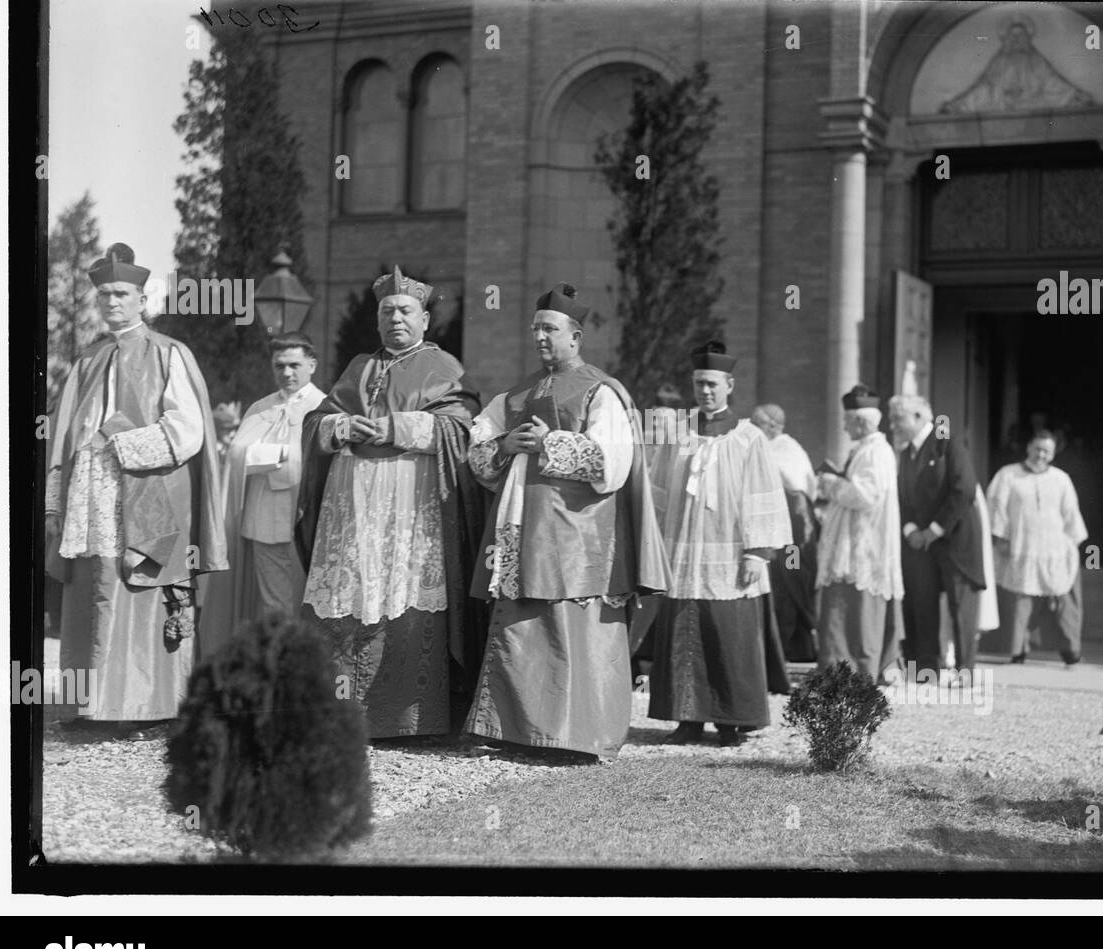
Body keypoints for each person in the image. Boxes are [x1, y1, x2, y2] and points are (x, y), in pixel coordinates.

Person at [462, 283, 670, 762]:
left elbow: (613, 462)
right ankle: (515, 729)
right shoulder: (515, 394)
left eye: (549, 329)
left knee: (569, 625)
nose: (539, 336)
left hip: (578, 531)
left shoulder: (600, 390)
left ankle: (575, 735)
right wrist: (505, 446)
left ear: (575, 336)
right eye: (535, 328)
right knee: (520, 622)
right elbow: (479, 449)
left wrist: (550, 444)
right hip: (520, 524)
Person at [294, 267, 489, 738]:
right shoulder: (358, 366)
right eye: (386, 311)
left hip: (410, 509)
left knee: (402, 592)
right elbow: (315, 422)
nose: (395, 319)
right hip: (352, 505)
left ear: (425, 318)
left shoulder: (444, 368)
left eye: (405, 311)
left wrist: (396, 428)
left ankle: (407, 721)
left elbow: (462, 428)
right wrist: (339, 428)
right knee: (348, 594)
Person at [44, 243, 227, 734]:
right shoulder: (86, 359)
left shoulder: (169, 352)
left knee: (135, 589)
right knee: (90, 588)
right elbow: (63, 434)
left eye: (121, 293)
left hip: (143, 492)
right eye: (103, 294)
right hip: (89, 493)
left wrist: (121, 443)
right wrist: (54, 502)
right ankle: (91, 704)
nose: (111, 302)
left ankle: (145, 705)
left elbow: (187, 430)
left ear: (142, 299)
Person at [645, 341, 793, 746]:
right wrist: (652, 545)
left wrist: (758, 553)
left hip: (729, 556)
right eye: (698, 384)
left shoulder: (749, 439)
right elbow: (658, 491)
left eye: (712, 384)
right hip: (682, 555)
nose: (705, 391)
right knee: (682, 632)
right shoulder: (677, 435)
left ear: (730, 385)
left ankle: (731, 721)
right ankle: (686, 718)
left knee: (728, 636)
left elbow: (765, 496)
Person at [199, 333, 326, 658]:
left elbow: (318, 462)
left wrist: (268, 456)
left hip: (308, 523)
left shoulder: (325, 407)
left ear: (311, 364)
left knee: (305, 603)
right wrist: (279, 456)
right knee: (274, 605)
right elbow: (237, 454)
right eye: (279, 365)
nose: (286, 373)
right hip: (263, 521)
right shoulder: (260, 407)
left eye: (294, 365)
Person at [889, 393, 986, 674]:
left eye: (898, 419)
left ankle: (965, 671)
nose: (893, 425)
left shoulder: (948, 442)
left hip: (955, 541)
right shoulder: (907, 453)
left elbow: (963, 489)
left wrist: (932, 531)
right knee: (920, 602)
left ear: (919, 417)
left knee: (961, 608)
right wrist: (911, 532)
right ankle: (925, 668)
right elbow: (903, 499)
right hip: (920, 545)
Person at [815, 385, 904, 683]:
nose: (842, 425)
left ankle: (850, 671)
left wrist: (830, 483)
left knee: (853, 612)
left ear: (861, 421)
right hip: (853, 541)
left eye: (846, 420)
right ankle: (840, 670)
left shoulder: (876, 452)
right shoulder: (865, 449)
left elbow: (866, 495)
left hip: (862, 546)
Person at [985, 430, 1088, 665]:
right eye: (1038, 449)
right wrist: (1001, 538)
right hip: (1022, 548)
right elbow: (996, 507)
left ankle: (1070, 651)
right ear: (1029, 447)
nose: (1041, 455)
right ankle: (1018, 649)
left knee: (1063, 602)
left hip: (1056, 550)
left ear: (1052, 454)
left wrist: (1076, 542)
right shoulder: (1008, 475)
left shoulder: (1061, 479)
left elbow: (1070, 512)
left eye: (1047, 451)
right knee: (1022, 601)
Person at [751, 402, 819, 663]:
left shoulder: (786, 449)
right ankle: (790, 649)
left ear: (773, 427)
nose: (753, 430)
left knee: (791, 585)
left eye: (758, 425)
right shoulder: (767, 447)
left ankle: (792, 649)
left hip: (794, 539)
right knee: (780, 587)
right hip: (781, 534)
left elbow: (797, 491)